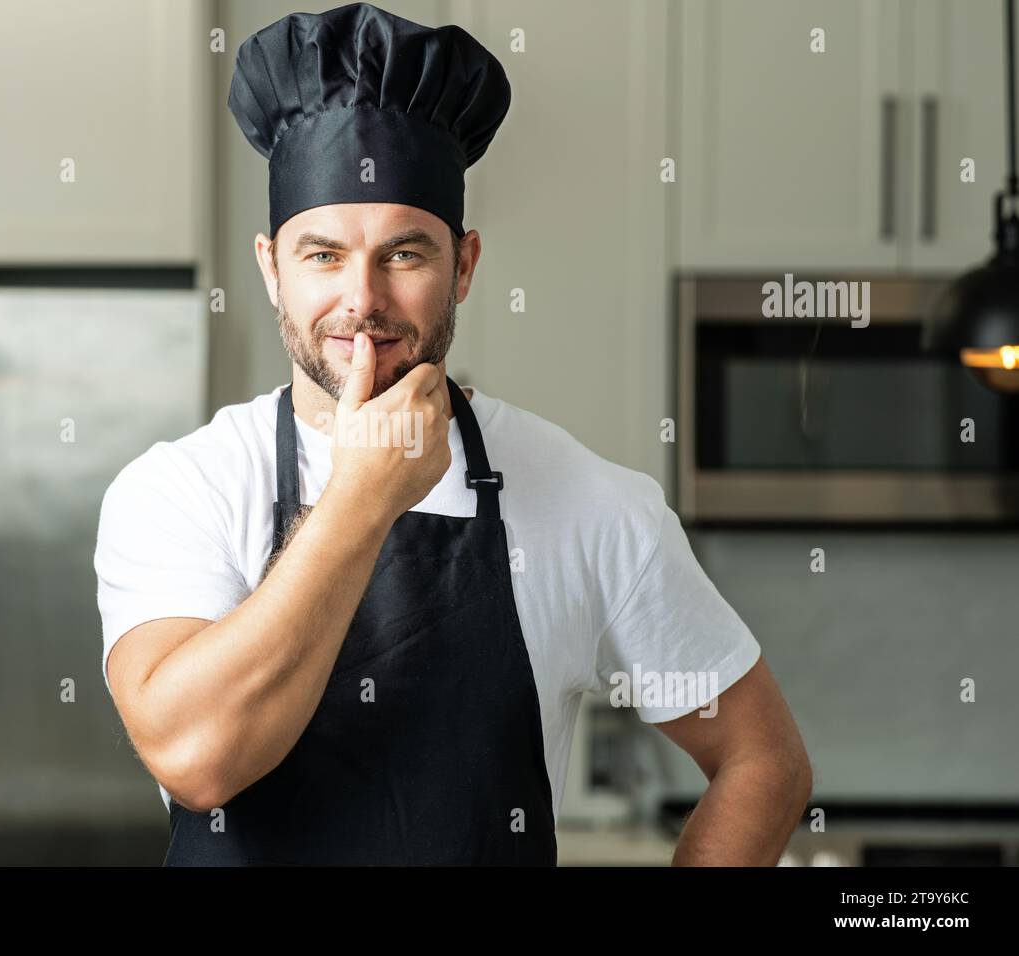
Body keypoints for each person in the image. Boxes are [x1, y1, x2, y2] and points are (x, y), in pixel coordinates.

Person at [94, 2, 811, 866]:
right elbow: (198, 759)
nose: (362, 302)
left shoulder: (587, 500)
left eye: (405, 254)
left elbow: (761, 760)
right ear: (270, 270)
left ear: (464, 267)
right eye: (323, 255)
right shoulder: (184, 489)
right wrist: (364, 491)